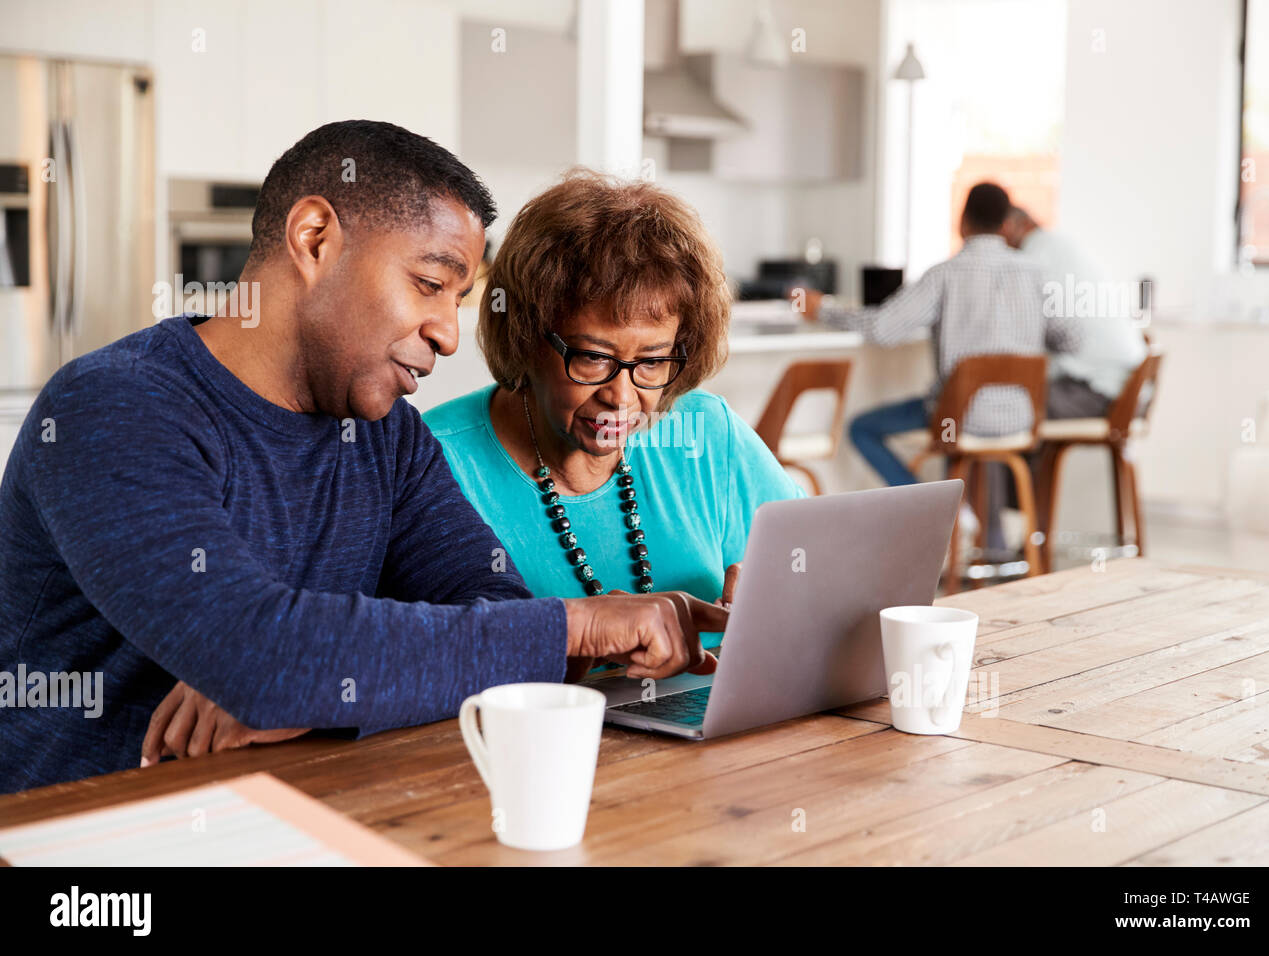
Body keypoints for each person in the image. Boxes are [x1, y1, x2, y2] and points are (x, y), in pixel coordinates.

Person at [0, 121, 724, 794]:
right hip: (80, 835)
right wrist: (579, 624)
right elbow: (257, 651)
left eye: (460, 297)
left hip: (290, 815)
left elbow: (497, 614)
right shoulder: (112, 408)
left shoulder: (386, 438)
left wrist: (319, 687)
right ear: (315, 239)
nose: (447, 332)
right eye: (430, 284)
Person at [422, 171, 805, 662]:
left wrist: (788, 585)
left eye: (651, 362)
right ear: (525, 337)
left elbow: (825, 566)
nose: (622, 397)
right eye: (593, 358)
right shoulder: (433, 461)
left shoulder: (708, 433)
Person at [797, 182, 1080, 552]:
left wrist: (823, 309)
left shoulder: (946, 274)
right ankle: (990, 550)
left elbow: (883, 329)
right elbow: (1071, 339)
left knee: (862, 428)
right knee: (982, 443)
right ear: (1007, 225)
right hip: (1021, 421)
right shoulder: (1037, 274)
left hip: (959, 420)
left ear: (963, 222)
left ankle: (942, 507)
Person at [1000, 205, 1148, 418]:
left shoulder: (1035, 255)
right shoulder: (1059, 246)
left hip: (1103, 391)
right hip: (1126, 386)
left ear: (1010, 227)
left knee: (1002, 410)